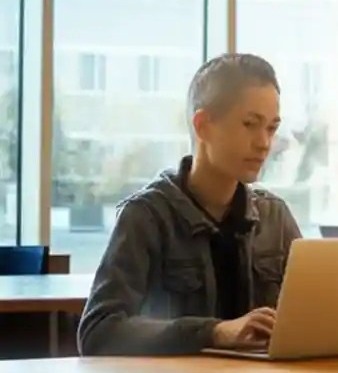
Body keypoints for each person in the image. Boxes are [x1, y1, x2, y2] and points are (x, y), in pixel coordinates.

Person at [78, 53, 302, 356]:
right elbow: (98, 332)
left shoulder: (275, 216)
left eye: (272, 128)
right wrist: (214, 332)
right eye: (250, 124)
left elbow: (314, 319)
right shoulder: (146, 216)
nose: (264, 143)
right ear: (203, 126)